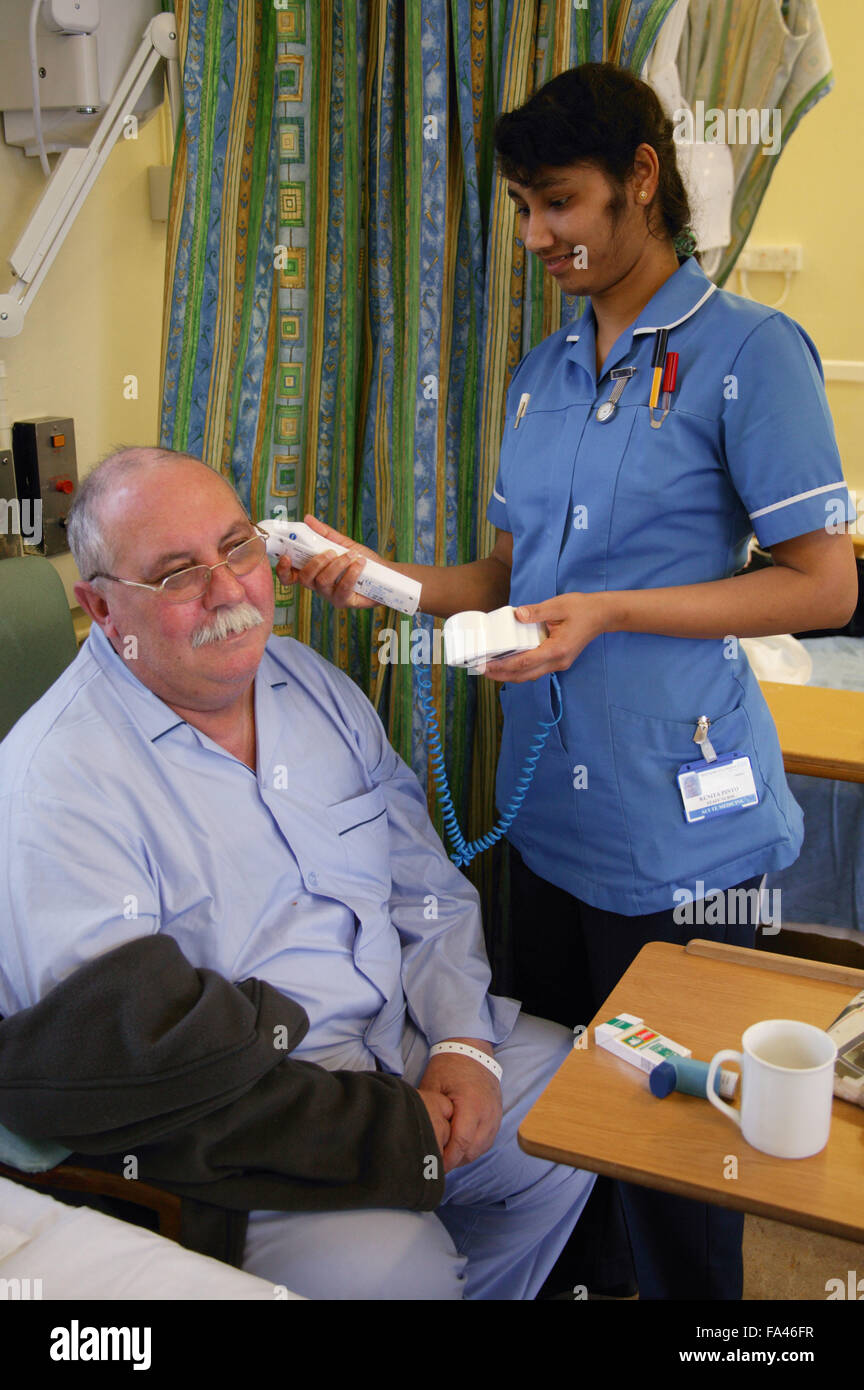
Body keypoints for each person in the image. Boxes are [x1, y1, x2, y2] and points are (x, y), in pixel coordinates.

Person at [278, 64, 859, 1299]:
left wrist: (613, 611)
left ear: (641, 181)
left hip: (681, 839)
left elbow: (825, 586)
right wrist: (373, 574)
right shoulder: (542, 375)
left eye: (560, 203)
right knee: (568, 1140)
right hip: (549, 831)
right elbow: (501, 575)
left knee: (681, 1147)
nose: (536, 234)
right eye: (521, 207)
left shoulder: (750, 354)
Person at [0, 446, 596, 1301]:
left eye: (237, 547)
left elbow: (420, 881)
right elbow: (132, 1076)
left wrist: (462, 1037)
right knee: (398, 1279)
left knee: (576, 1126)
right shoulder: (56, 789)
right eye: (175, 574)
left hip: (406, 1036)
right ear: (99, 607)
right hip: (263, 1127)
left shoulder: (307, 683)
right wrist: (384, 1131)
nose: (229, 591)